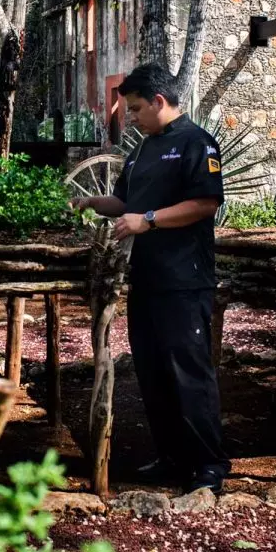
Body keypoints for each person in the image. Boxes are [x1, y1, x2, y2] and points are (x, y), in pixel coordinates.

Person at [69, 62, 230, 494]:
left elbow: (205, 204)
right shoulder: (142, 150)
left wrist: (150, 221)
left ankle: (209, 467)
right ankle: (170, 457)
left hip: (184, 280)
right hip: (145, 280)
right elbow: (125, 203)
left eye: (137, 109)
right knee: (152, 372)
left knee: (188, 373)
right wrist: (89, 202)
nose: (133, 118)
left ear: (160, 102)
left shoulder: (198, 143)